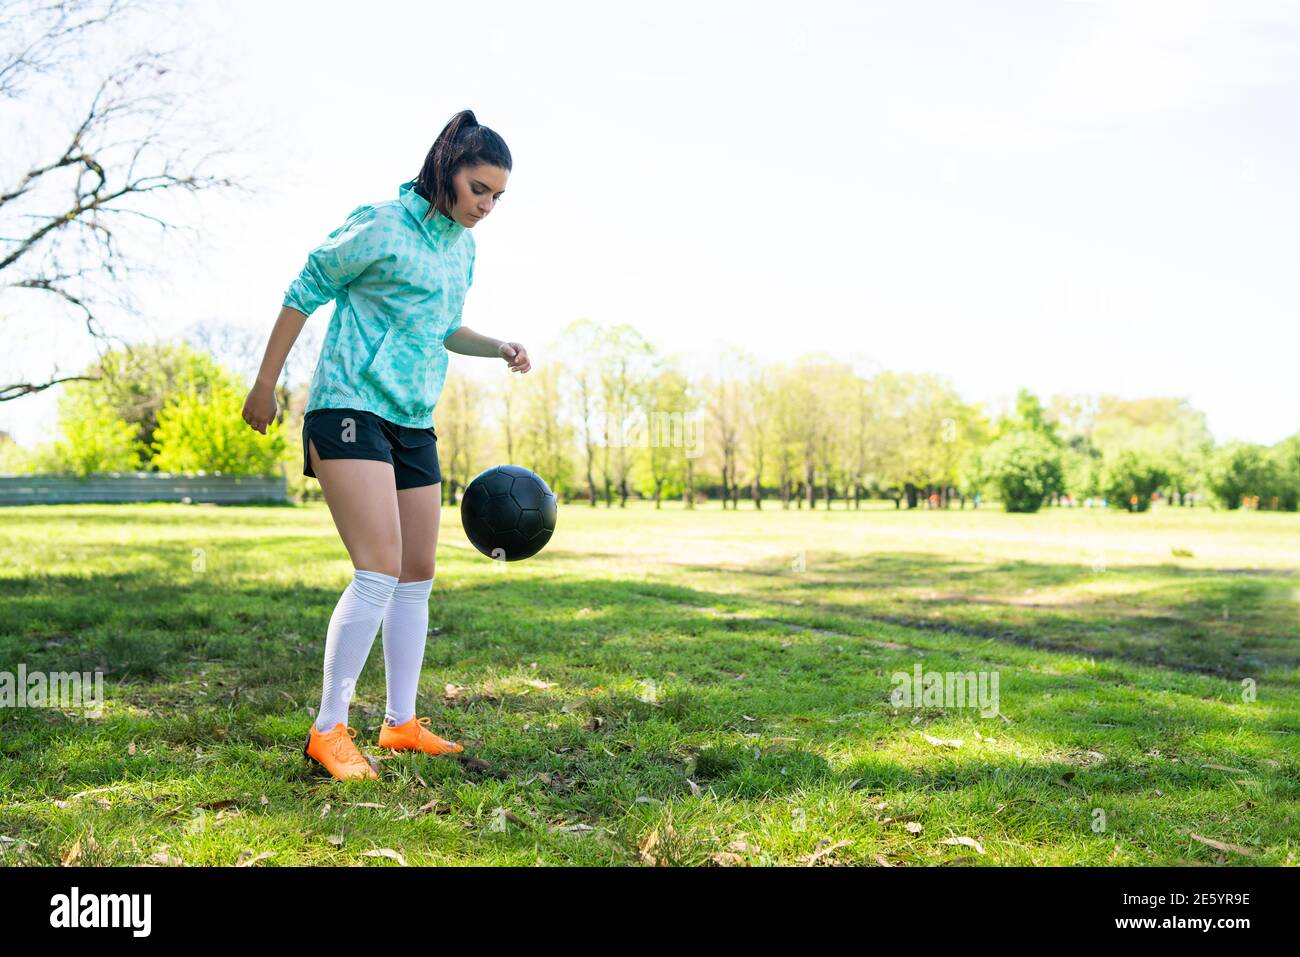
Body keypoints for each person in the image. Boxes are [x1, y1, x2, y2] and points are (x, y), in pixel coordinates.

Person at [241, 109, 530, 780]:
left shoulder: (464, 247)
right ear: (446, 170)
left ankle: (401, 722)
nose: (487, 206)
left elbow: (444, 327)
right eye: (479, 189)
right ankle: (327, 729)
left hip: (411, 420)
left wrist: (497, 347)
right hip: (348, 406)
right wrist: (264, 383)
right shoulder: (379, 224)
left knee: (417, 572)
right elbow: (303, 290)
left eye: (498, 196)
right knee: (378, 567)